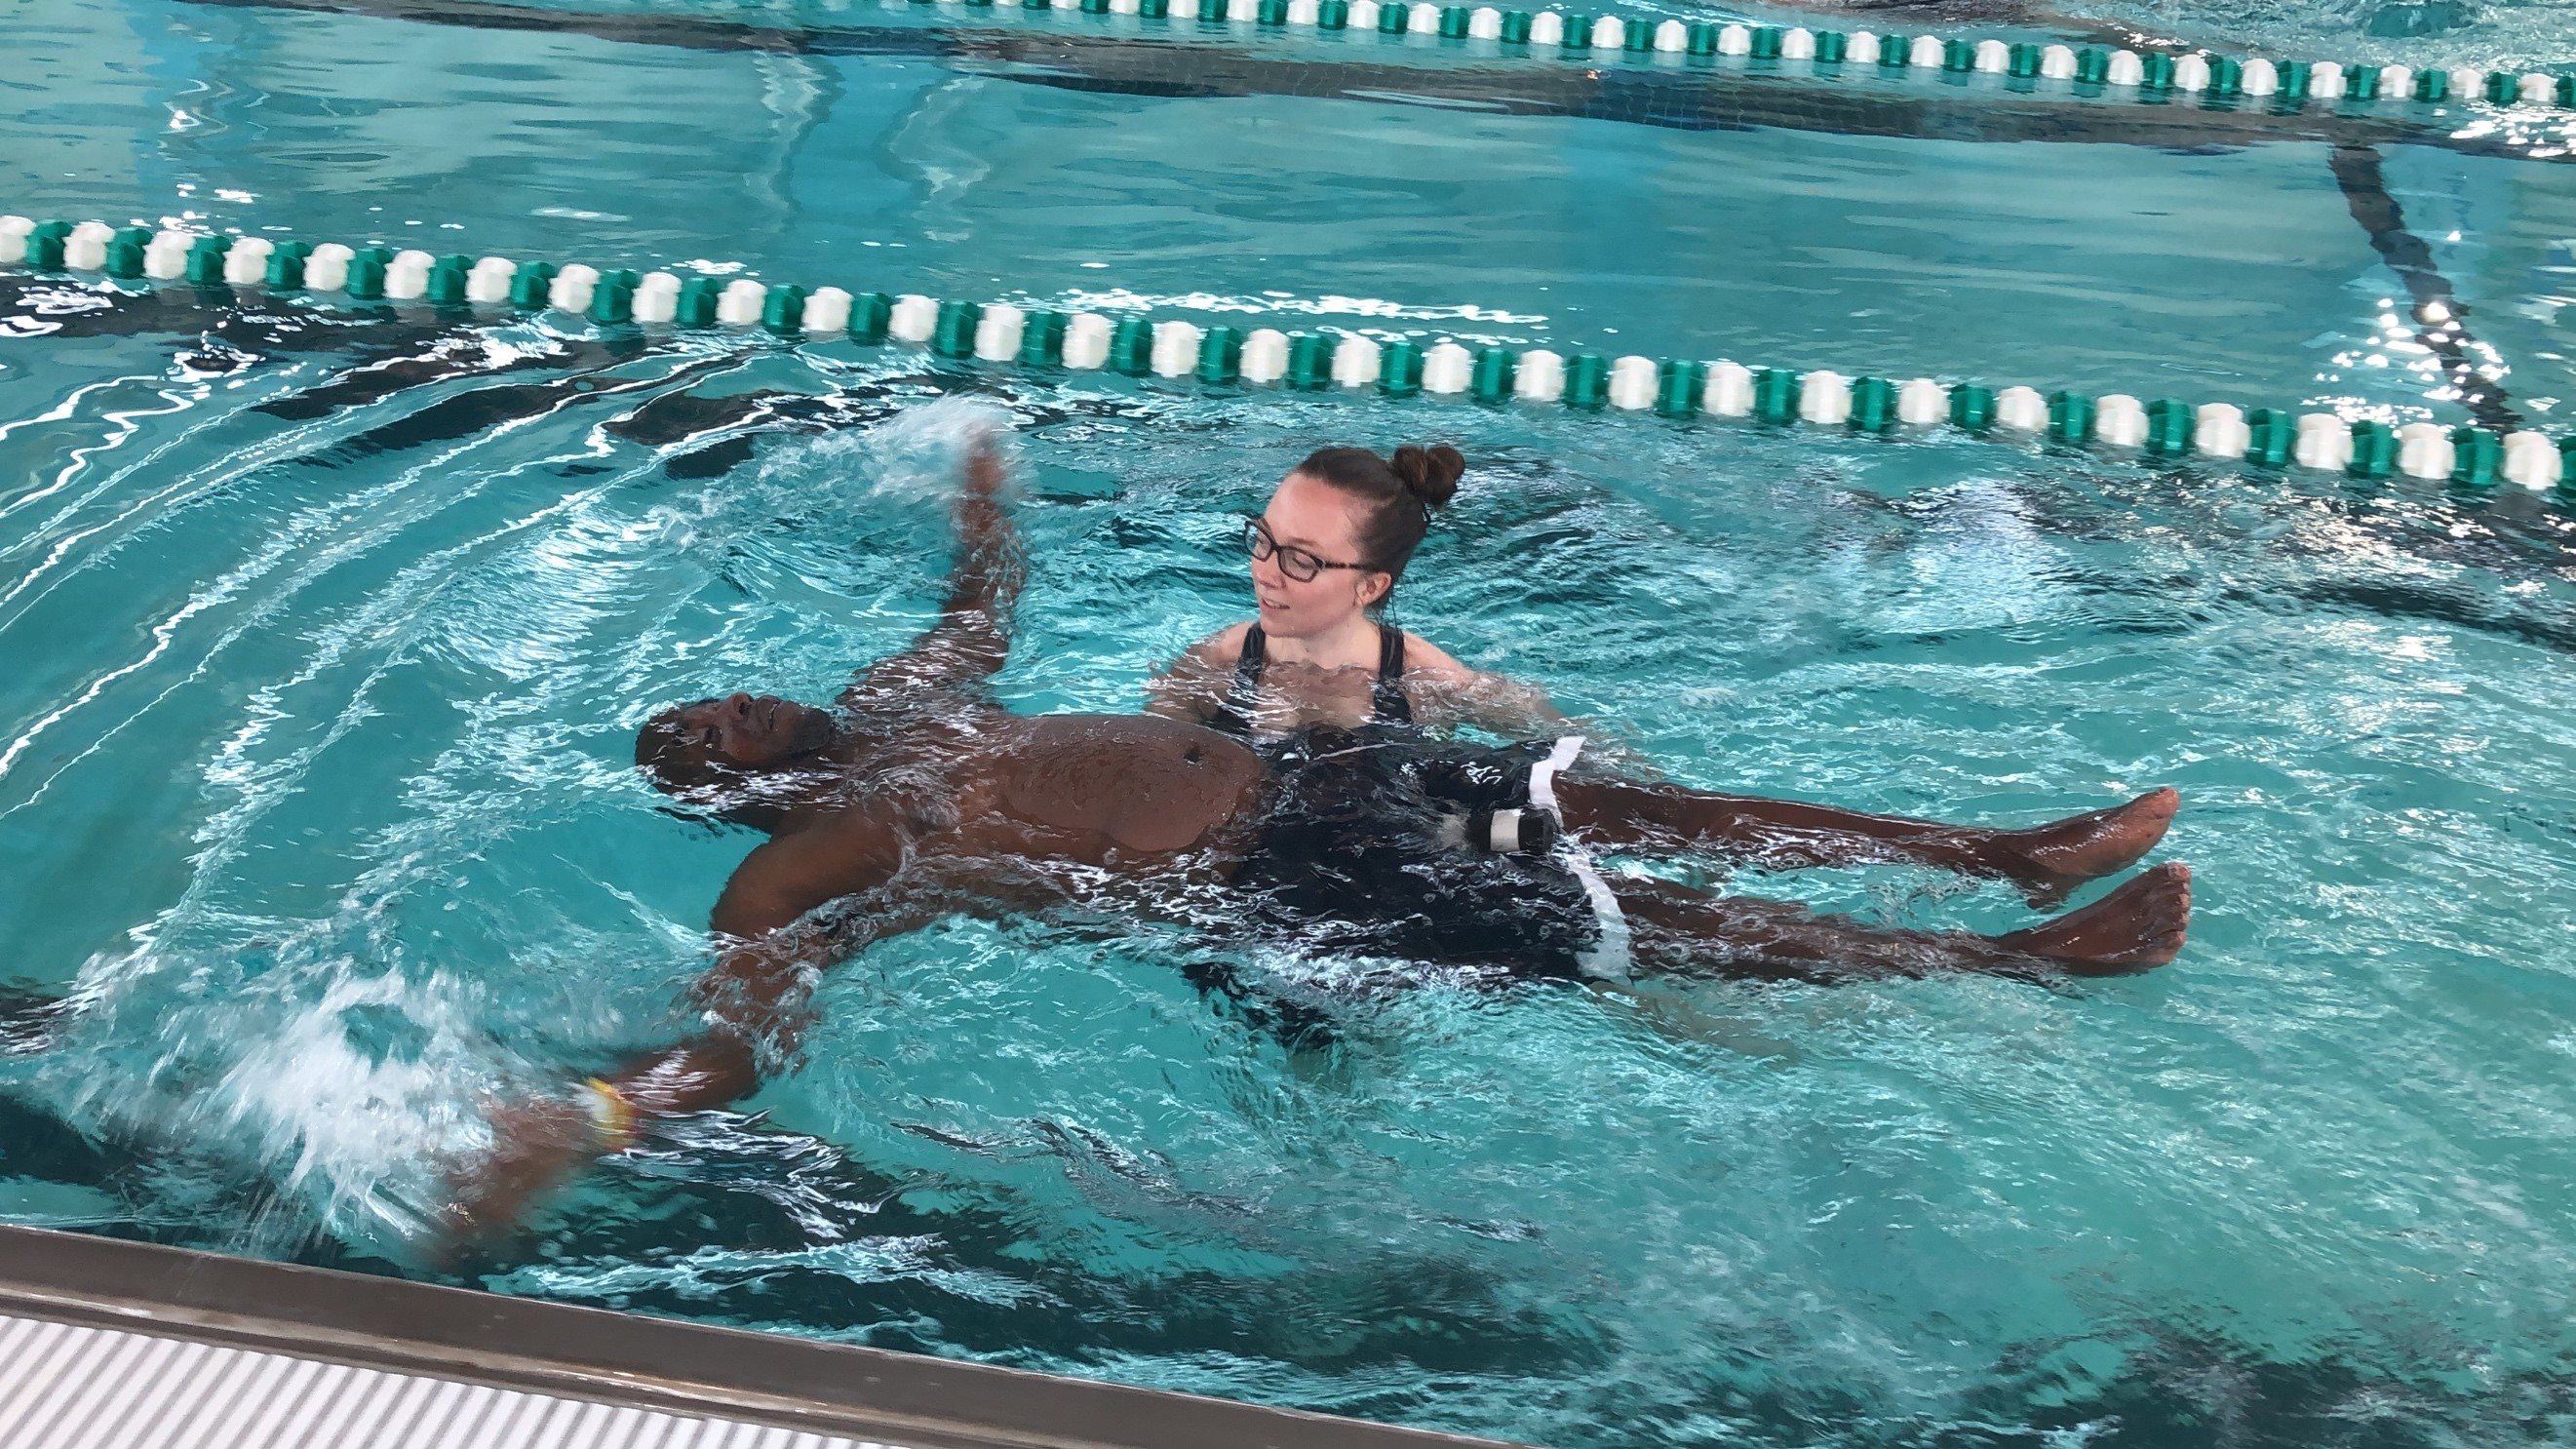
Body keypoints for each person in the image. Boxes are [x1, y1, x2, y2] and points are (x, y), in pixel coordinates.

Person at [441, 431, 2189, 1241]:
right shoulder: (808, 860)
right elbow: (751, 1024)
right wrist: (601, 1114)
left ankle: (1998, 849)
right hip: (1280, 881)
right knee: (1638, 917)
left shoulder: (897, 706)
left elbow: (980, 603)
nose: (721, 709)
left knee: (1626, 801)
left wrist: (978, 485)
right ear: (726, 800)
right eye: (697, 741)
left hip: (1323, 782)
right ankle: (2006, 963)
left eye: (711, 698)